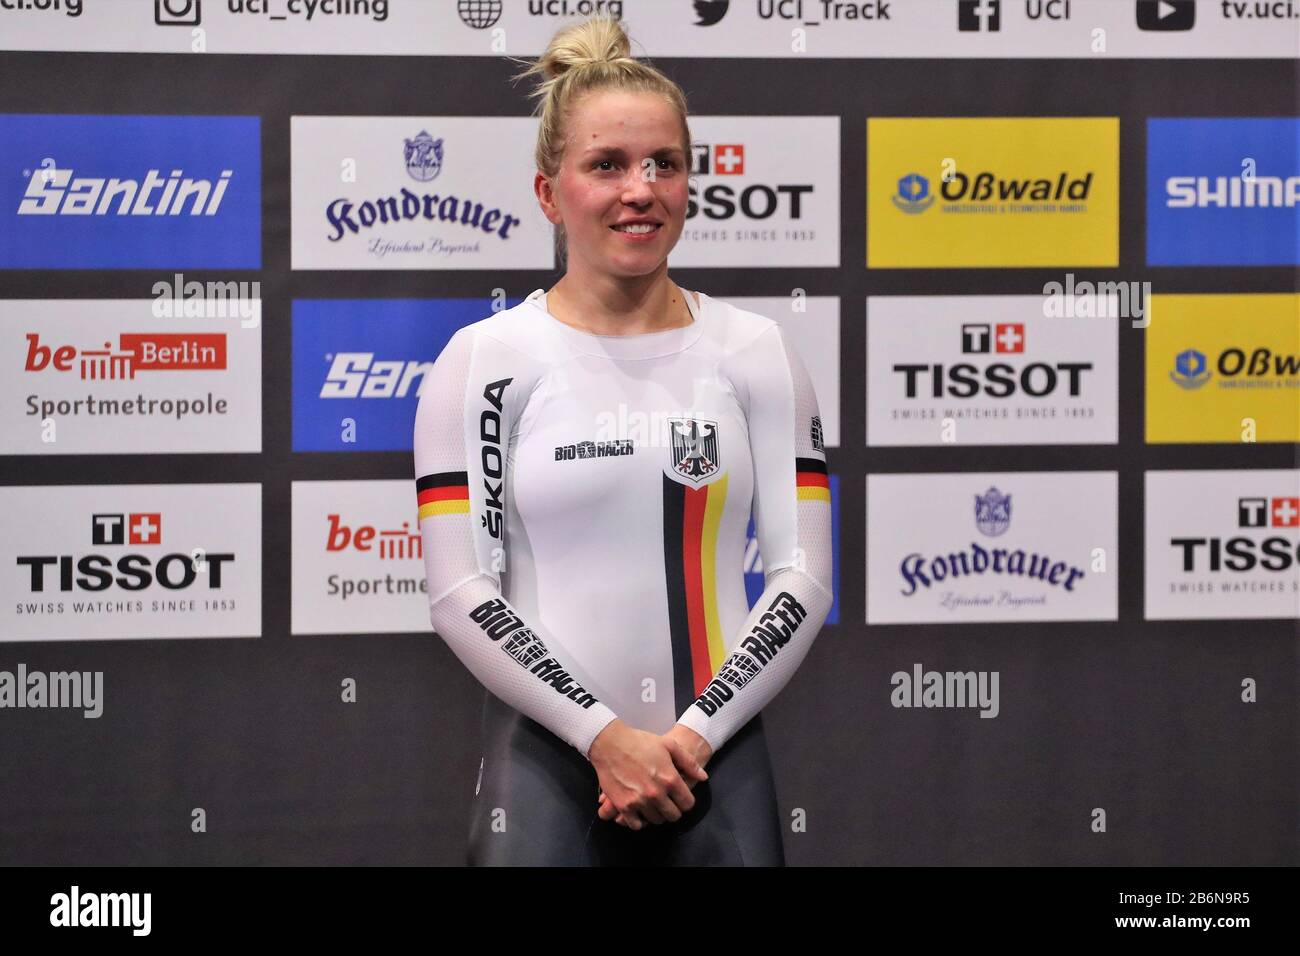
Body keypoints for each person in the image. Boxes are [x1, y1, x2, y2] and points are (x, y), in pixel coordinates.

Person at [413, 13, 833, 866]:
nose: (639, 189)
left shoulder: (756, 351)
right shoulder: (484, 360)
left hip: (714, 761)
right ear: (548, 192)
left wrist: (690, 737)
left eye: (663, 165)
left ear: (688, 182)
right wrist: (604, 737)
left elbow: (806, 578)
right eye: (606, 165)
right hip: (546, 766)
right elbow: (462, 591)